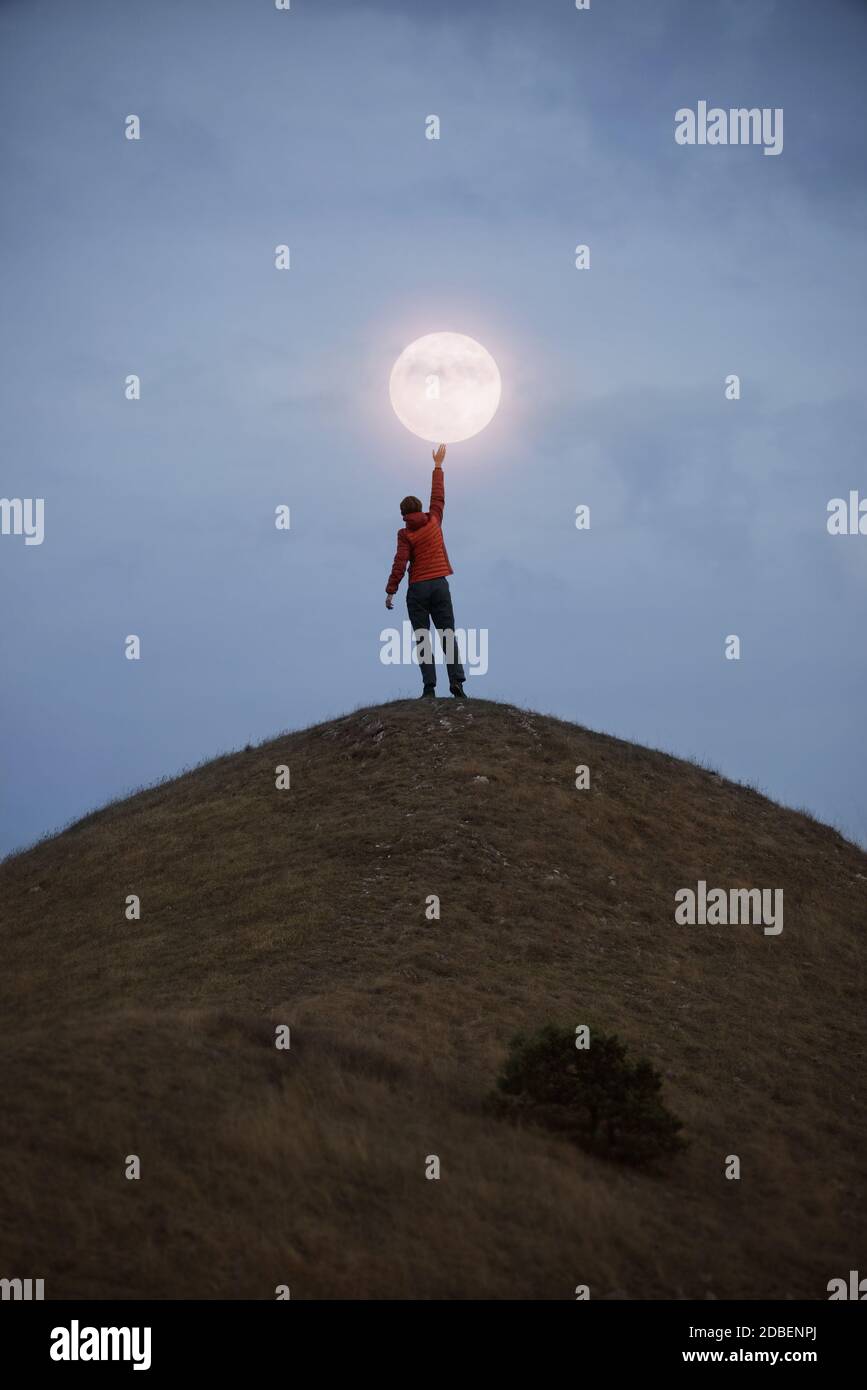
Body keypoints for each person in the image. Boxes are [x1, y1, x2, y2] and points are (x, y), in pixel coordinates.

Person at [385, 444, 467, 698]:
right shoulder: (434, 519)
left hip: (418, 588)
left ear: (403, 514)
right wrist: (438, 466)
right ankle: (457, 684)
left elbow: (400, 562)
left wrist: (391, 591)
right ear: (420, 508)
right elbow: (439, 496)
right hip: (440, 585)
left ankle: (429, 688)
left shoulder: (405, 533)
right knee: (447, 634)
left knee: (423, 637)